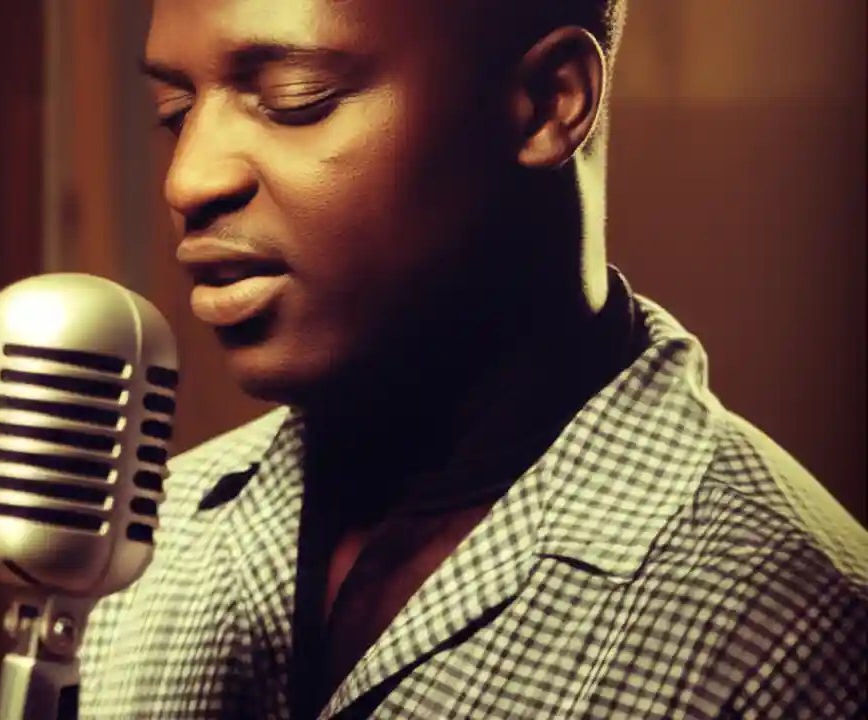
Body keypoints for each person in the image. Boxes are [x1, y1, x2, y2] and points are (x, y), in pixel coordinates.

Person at [79, 1, 868, 717]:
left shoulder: (791, 633)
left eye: (294, 97)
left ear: (549, 103)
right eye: (174, 112)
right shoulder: (138, 543)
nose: (188, 180)